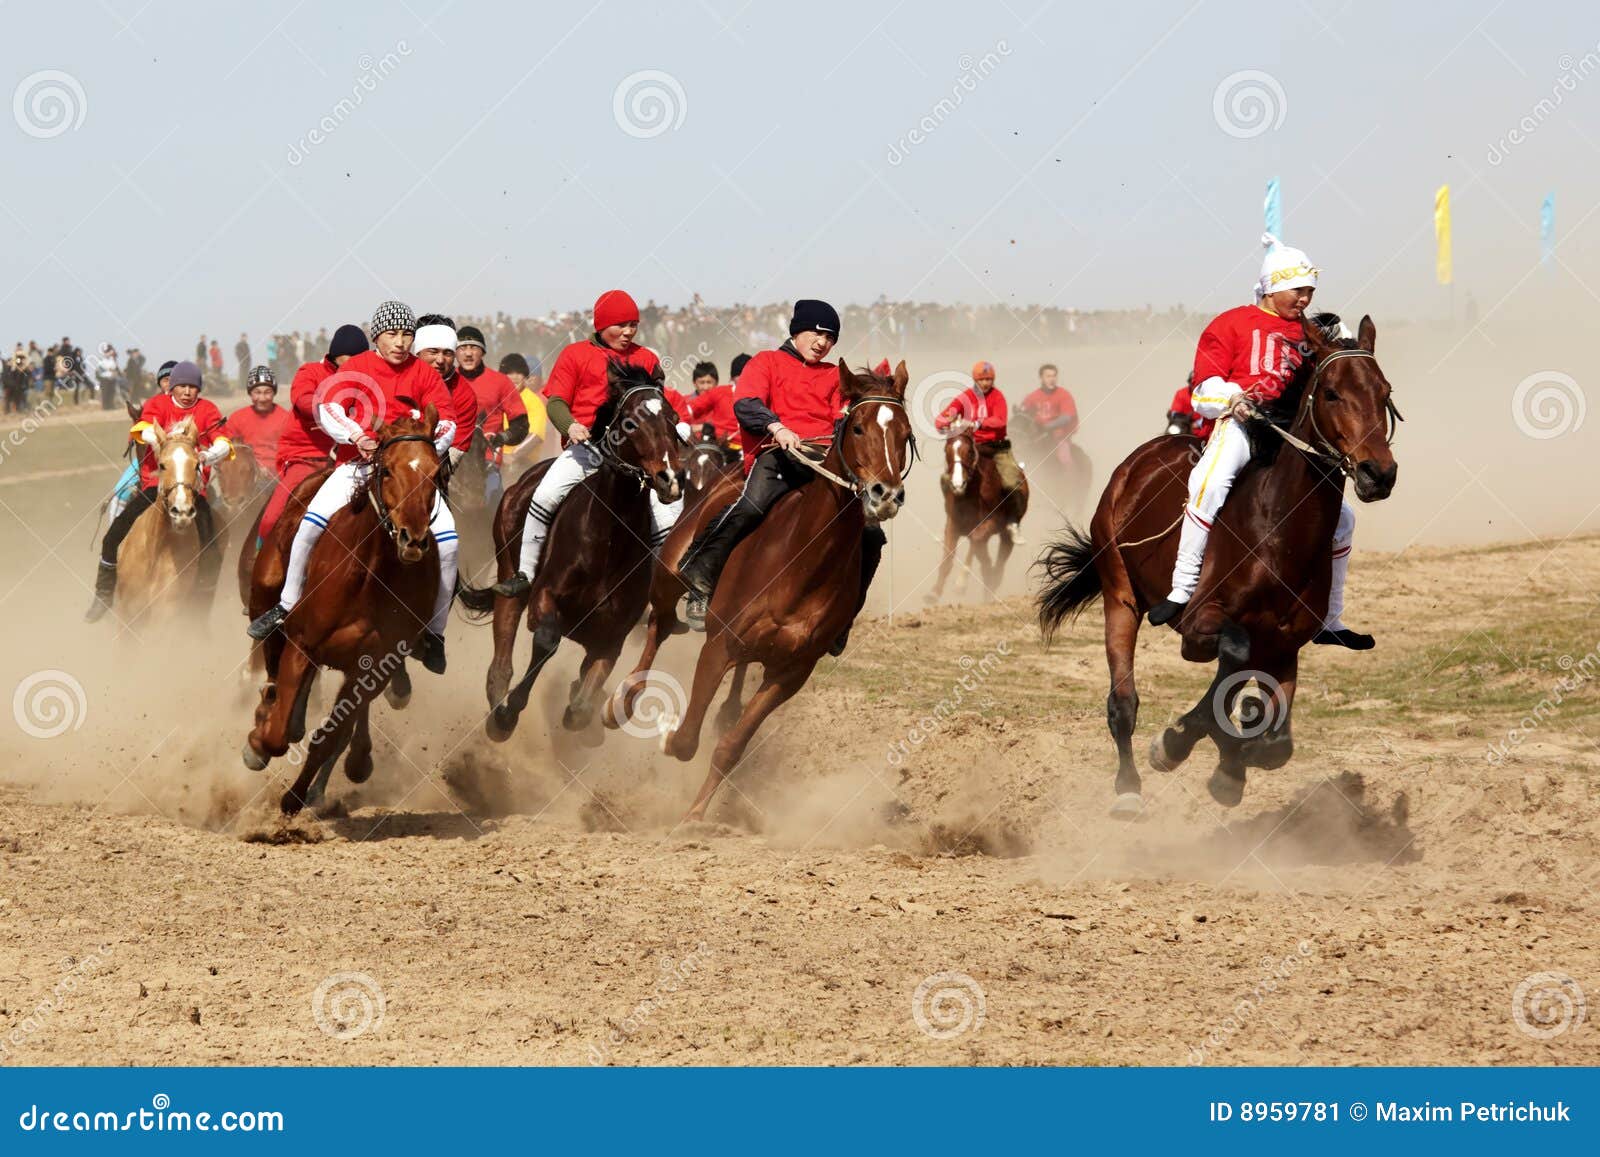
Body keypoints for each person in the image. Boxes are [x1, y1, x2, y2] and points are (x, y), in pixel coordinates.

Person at [1145, 233, 1372, 649]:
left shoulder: (1311, 332)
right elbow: (1202, 388)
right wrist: (1234, 399)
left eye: (1310, 291)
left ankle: (1330, 620)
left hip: (1293, 436)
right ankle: (1182, 589)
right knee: (1207, 485)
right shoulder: (1230, 323)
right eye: (1298, 290)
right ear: (1272, 286)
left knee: (1345, 520)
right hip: (1245, 426)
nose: (1305, 299)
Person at [245, 302, 459, 674]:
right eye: (393, 334)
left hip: (407, 473)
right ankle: (287, 604)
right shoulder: (358, 368)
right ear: (377, 336)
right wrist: (357, 435)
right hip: (356, 466)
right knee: (311, 523)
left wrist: (419, 450)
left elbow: (447, 422)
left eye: (407, 334)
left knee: (450, 542)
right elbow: (328, 407)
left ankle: (434, 634)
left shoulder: (424, 373)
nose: (400, 342)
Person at [675, 299, 884, 654]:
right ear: (798, 330)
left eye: (830, 337)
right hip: (778, 453)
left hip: (822, 462)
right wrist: (777, 426)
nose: (822, 342)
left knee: (871, 534)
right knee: (751, 506)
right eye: (817, 332)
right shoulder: (766, 362)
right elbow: (746, 404)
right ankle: (699, 579)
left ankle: (843, 616)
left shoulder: (835, 374)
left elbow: (846, 416)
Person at [491, 290, 680, 597]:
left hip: (637, 457)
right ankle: (525, 573)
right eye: (620, 324)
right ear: (601, 325)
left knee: (669, 511)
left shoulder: (646, 358)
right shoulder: (575, 354)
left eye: (633, 324)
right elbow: (555, 403)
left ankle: (659, 589)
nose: (629, 331)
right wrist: (571, 426)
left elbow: (656, 404)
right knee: (545, 494)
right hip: (588, 450)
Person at [84, 362, 231, 622]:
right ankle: (104, 593)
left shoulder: (207, 410)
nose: (187, 392)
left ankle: (199, 608)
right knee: (114, 535)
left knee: (211, 543)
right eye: (182, 386)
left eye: (193, 387)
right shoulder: (157, 405)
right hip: (157, 487)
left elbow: (224, 441)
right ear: (172, 387)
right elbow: (141, 429)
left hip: (193, 489)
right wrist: (162, 440)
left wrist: (208, 454)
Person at [255, 325, 368, 547]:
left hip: (354, 460)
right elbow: (303, 399)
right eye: (347, 362)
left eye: (357, 362)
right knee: (271, 518)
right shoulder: (310, 372)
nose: (350, 368)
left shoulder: (367, 379)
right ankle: (259, 564)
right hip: (307, 457)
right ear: (335, 357)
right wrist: (331, 412)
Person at [933, 359, 1025, 544]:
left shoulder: (998, 397)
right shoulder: (965, 397)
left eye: (989, 379)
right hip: (971, 448)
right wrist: (947, 422)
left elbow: (1000, 421)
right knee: (947, 479)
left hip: (995, 448)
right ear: (975, 380)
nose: (985, 383)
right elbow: (942, 418)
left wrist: (976, 423)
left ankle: (1013, 521)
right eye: (982, 379)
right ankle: (951, 522)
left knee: (1012, 480)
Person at [455, 325, 528, 505]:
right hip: (452, 462)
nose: (468, 353)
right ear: (455, 353)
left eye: (474, 347)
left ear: (483, 352)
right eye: (462, 348)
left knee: (494, 509)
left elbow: (521, 424)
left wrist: (502, 438)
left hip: (488, 462)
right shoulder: (445, 381)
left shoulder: (500, 382)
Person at [412, 316, 479, 474]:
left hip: (433, 471)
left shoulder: (465, 394)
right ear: (417, 351)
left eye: (448, 353)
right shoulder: (395, 376)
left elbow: (455, 453)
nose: (440, 360)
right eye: (433, 352)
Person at [221, 366, 289, 470]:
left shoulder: (286, 419)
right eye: (257, 392)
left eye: (267, 392)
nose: (262, 398)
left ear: (274, 393)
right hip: (246, 476)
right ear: (250, 393)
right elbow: (226, 448)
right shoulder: (237, 419)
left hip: (278, 476)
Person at [497, 352, 550, 469]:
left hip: (522, 461)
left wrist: (513, 455)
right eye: (509, 373)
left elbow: (535, 435)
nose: (514, 377)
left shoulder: (534, 401)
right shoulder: (496, 398)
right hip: (496, 457)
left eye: (519, 373)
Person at [684, 358, 740, 446]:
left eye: (709, 382)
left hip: (717, 445)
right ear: (694, 383)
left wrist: (703, 427)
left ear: (716, 383)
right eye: (702, 383)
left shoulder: (723, 402)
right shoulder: (685, 403)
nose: (705, 387)